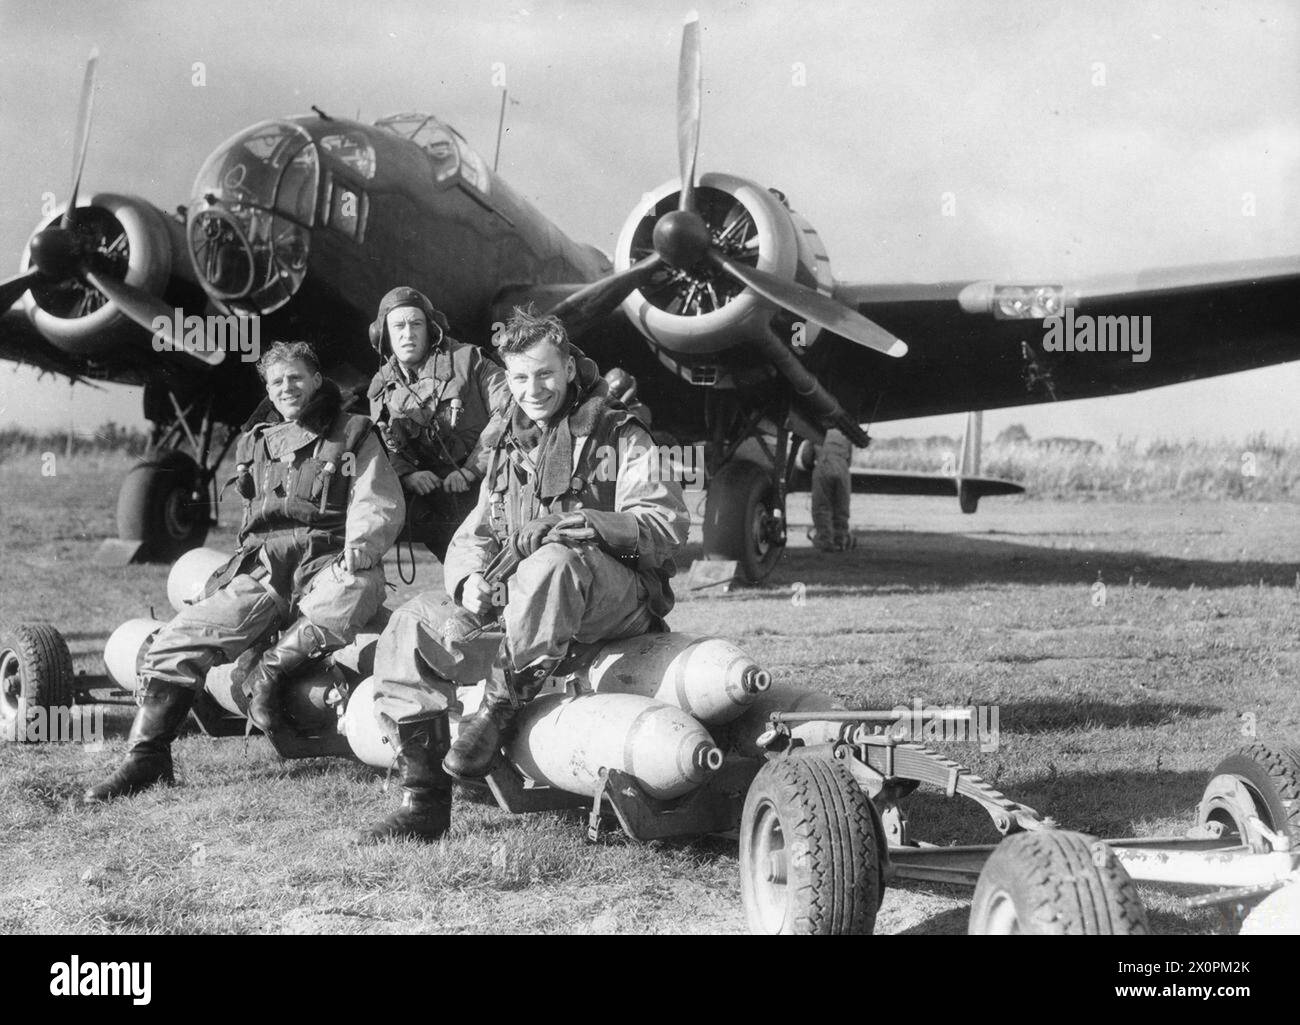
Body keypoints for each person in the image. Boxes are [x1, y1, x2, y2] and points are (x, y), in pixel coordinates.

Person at [357, 308, 690, 843]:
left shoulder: (616, 433)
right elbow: (474, 535)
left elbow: (665, 524)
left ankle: (499, 710)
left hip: (612, 599)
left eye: (545, 375)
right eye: (519, 377)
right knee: (413, 622)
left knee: (552, 560)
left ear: (568, 371)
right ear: (506, 380)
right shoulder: (510, 447)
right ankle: (422, 796)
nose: (533, 389)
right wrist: (470, 583)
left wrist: (578, 523)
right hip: (529, 609)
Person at [84, 341, 405, 803]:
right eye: (276, 382)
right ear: (269, 392)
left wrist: (361, 545)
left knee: (356, 587)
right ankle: (146, 758)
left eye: (296, 377)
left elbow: (377, 500)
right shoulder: (256, 442)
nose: (287, 388)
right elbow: (253, 520)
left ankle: (268, 676)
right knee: (177, 640)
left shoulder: (354, 433)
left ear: (317, 380)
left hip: (329, 562)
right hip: (265, 568)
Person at [367, 287, 511, 564]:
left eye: (416, 324)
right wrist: (407, 474)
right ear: (383, 334)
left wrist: (471, 470)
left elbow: (509, 407)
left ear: (431, 329)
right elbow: (382, 440)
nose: (407, 334)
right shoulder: (381, 385)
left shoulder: (469, 360)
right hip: (433, 500)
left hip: (485, 486)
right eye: (398, 325)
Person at [810, 427, 856, 552]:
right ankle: (840, 541)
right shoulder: (846, 433)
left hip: (824, 465)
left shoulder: (813, 430)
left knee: (822, 507)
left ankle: (825, 541)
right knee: (841, 507)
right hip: (842, 468)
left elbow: (806, 457)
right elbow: (849, 460)